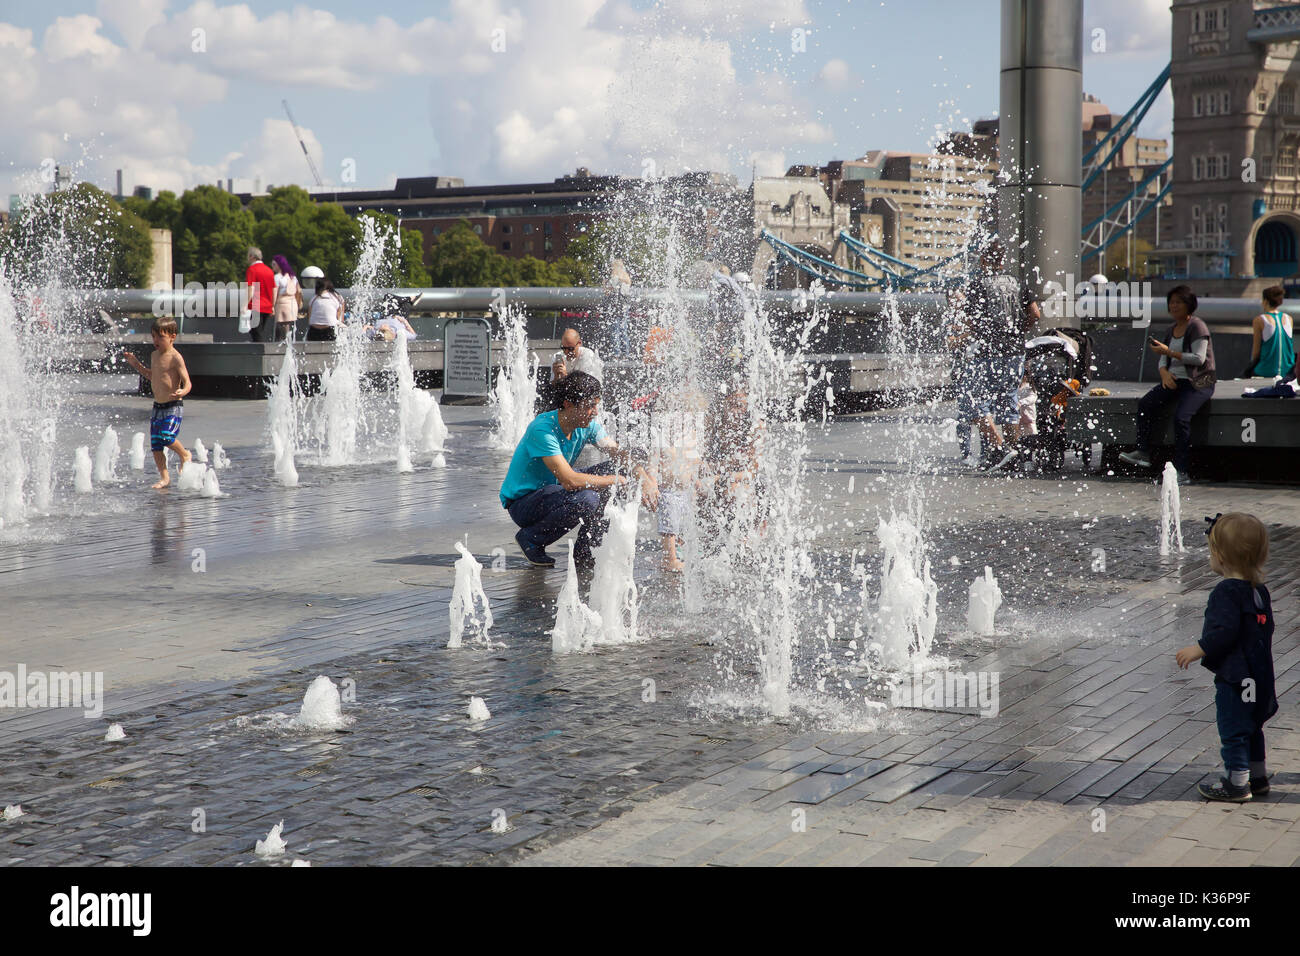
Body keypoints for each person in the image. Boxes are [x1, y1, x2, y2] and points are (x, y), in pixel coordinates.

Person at [500, 371, 658, 569]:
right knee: (588, 498)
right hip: (524, 503)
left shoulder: (586, 426)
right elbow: (570, 481)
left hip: (553, 491)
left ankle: (587, 551)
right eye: (590, 406)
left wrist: (645, 480)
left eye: (596, 405)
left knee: (618, 469)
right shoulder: (542, 429)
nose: (596, 412)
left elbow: (618, 454)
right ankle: (531, 539)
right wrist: (616, 481)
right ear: (568, 404)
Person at [1176, 513, 1277, 802]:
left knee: (1233, 727)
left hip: (1236, 677)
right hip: (1258, 676)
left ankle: (1236, 784)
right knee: (1252, 726)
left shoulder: (1225, 592)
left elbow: (1225, 631)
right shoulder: (1259, 591)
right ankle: (1257, 778)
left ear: (1220, 557)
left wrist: (1198, 649)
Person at [959, 240, 1041, 472]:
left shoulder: (978, 285)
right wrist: (1017, 332)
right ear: (1002, 259)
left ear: (984, 259)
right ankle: (1012, 455)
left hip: (988, 352)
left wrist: (982, 333)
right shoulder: (1018, 282)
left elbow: (970, 321)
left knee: (974, 401)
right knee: (1008, 402)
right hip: (1014, 352)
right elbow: (1035, 313)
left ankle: (1000, 448)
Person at [1120, 286, 1216, 484]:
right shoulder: (1170, 329)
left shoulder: (1197, 327)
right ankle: (1143, 452)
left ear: (1189, 305)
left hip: (1199, 381)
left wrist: (1170, 353)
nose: (1174, 306)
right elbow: (1162, 359)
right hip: (1175, 380)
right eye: (1171, 302)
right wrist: (1163, 373)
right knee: (1146, 404)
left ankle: (1182, 471)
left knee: (1181, 419)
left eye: (1178, 302)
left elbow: (1199, 359)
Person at [123, 317, 192, 490]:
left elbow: (188, 382)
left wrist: (182, 391)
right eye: (153, 336)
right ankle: (165, 478)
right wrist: (136, 364)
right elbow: (151, 375)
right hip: (158, 406)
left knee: (167, 437)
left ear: (172, 337)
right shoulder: (154, 355)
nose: (156, 341)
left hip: (173, 406)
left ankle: (185, 455)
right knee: (156, 445)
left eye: (160, 337)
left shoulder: (176, 357)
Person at [1248, 286, 1293, 379]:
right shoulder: (1289, 319)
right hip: (1288, 371)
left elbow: (1256, 352)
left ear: (1265, 301)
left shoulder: (1260, 320)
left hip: (1266, 371)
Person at [244, 248, 276, 343]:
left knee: (255, 332)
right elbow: (274, 289)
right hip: (267, 306)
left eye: (248, 255)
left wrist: (245, 304)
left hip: (257, 305)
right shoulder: (269, 271)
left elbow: (251, 288)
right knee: (258, 331)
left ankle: (261, 355)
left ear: (252, 257)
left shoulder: (252, 270)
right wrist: (272, 306)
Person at [271, 255, 302, 342]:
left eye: (274, 264)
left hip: (282, 303)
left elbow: (275, 293)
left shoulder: (277, 277)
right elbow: (298, 290)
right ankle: (289, 342)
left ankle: (280, 343)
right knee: (288, 324)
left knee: (280, 323)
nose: (272, 267)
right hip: (292, 303)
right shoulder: (293, 277)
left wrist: (272, 306)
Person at [306, 274, 344, 341]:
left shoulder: (314, 298)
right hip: (329, 330)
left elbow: (309, 318)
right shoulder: (338, 297)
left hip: (313, 330)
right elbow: (340, 319)